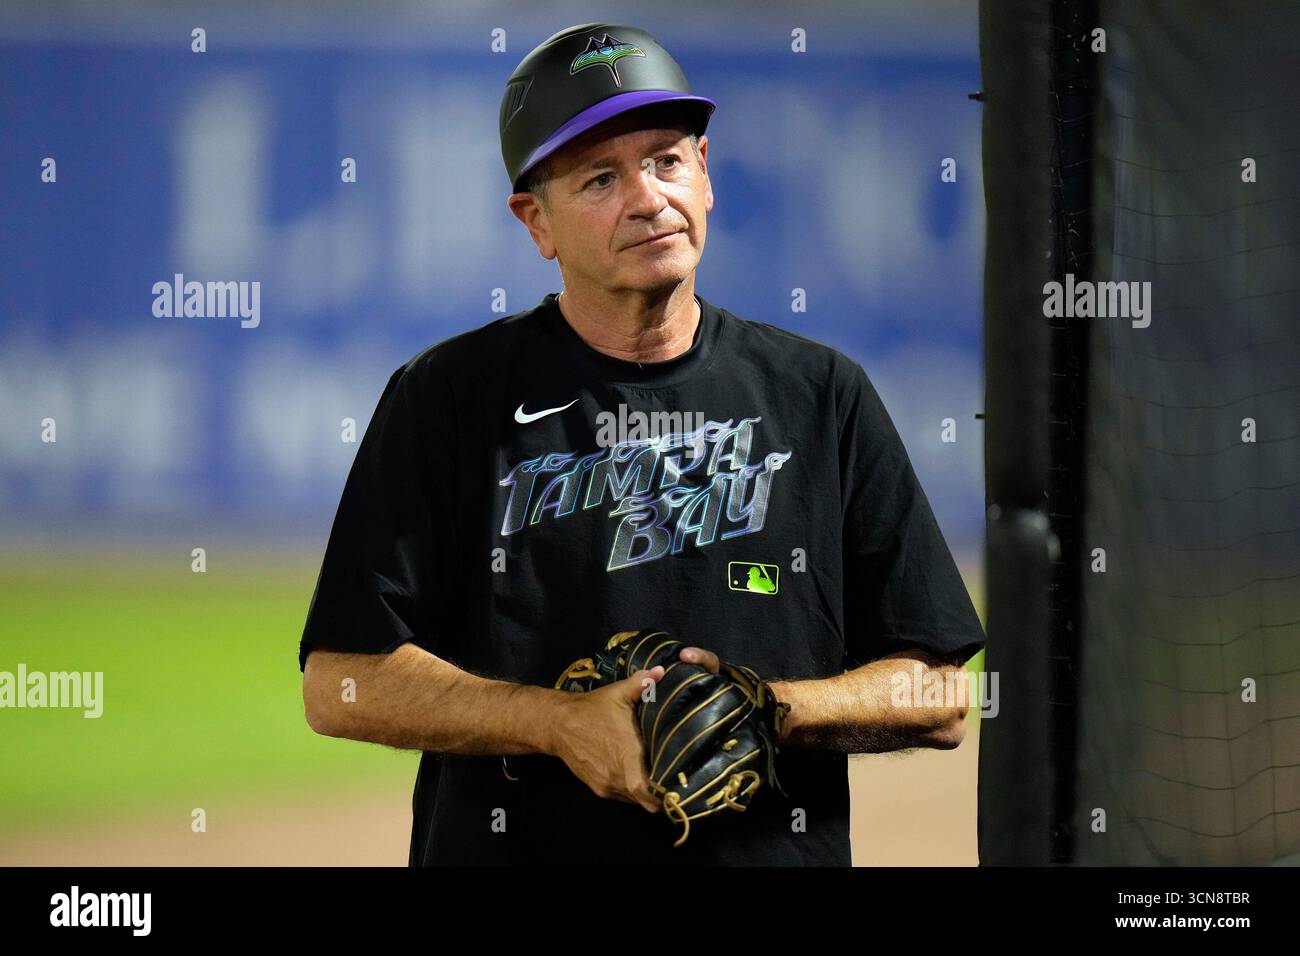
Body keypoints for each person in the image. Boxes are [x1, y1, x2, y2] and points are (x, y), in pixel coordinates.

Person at [298, 22, 986, 866]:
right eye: (599, 178)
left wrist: (770, 708)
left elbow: (945, 690)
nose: (647, 196)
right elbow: (339, 683)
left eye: (666, 160)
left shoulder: (820, 396)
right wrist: (553, 723)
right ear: (536, 222)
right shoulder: (449, 398)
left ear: (706, 177)